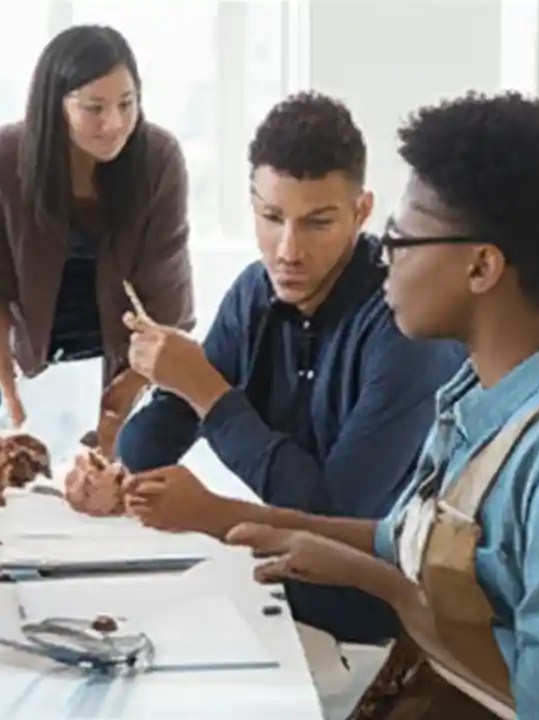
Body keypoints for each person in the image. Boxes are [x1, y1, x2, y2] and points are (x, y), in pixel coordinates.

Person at [212, 91, 539, 719]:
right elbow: (401, 538)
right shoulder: (474, 397)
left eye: (400, 241)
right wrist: (277, 528)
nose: (384, 265)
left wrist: (371, 579)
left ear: (482, 266)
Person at [114, 91, 466, 644]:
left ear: (362, 210)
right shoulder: (254, 294)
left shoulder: (406, 329)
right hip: (281, 595)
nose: (287, 250)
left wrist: (204, 389)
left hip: (382, 630)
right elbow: (149, 448)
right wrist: (120, 462)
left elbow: (329, 517)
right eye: (271, 217)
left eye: (317, 223)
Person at [0, 25, 194, 429]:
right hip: (30, 357)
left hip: (124, 358)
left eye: (127, 103)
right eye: (94, 108)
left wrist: (115, 411)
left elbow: (167, 308)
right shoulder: (2, 158)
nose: (115, 123)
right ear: (56, 105)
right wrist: (10, 392)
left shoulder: (159, 159)